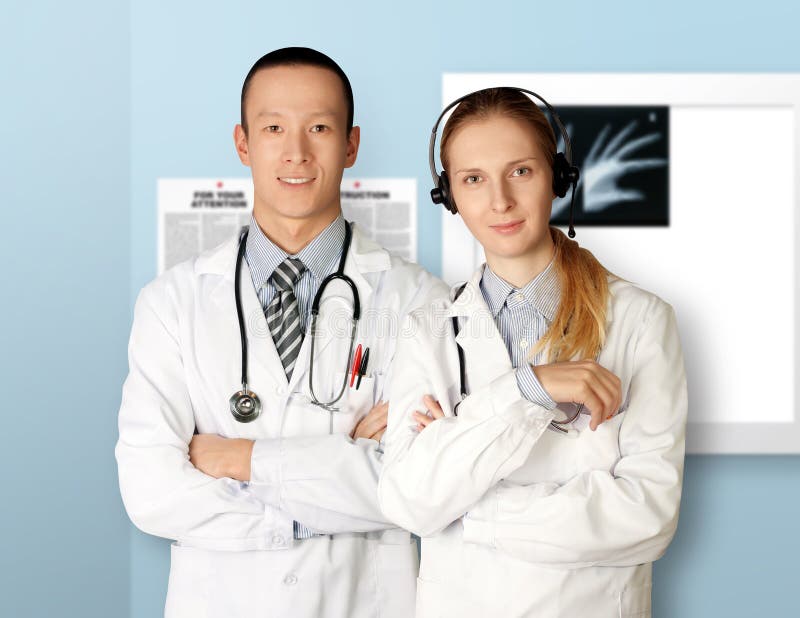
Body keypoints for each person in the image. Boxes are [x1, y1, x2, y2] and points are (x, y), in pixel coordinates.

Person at [116, 47, 447, 618]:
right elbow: (150, 492)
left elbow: (423, 488)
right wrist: (334, 477)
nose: (296, 152)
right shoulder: (171, 303)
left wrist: (240, 460)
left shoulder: (421, 301)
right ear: (243, 143)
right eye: (273, 128)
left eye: (319, 127)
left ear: (351, 144)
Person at [378, 87, 687, 617]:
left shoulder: (640, 321)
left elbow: (647, 515)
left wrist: (469, 506)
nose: (499, 200)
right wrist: (531, 388)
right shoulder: (424, 332)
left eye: (520, 171)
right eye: (473, 179)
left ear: (557, 177)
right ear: (449, 195)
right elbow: (409, 501)